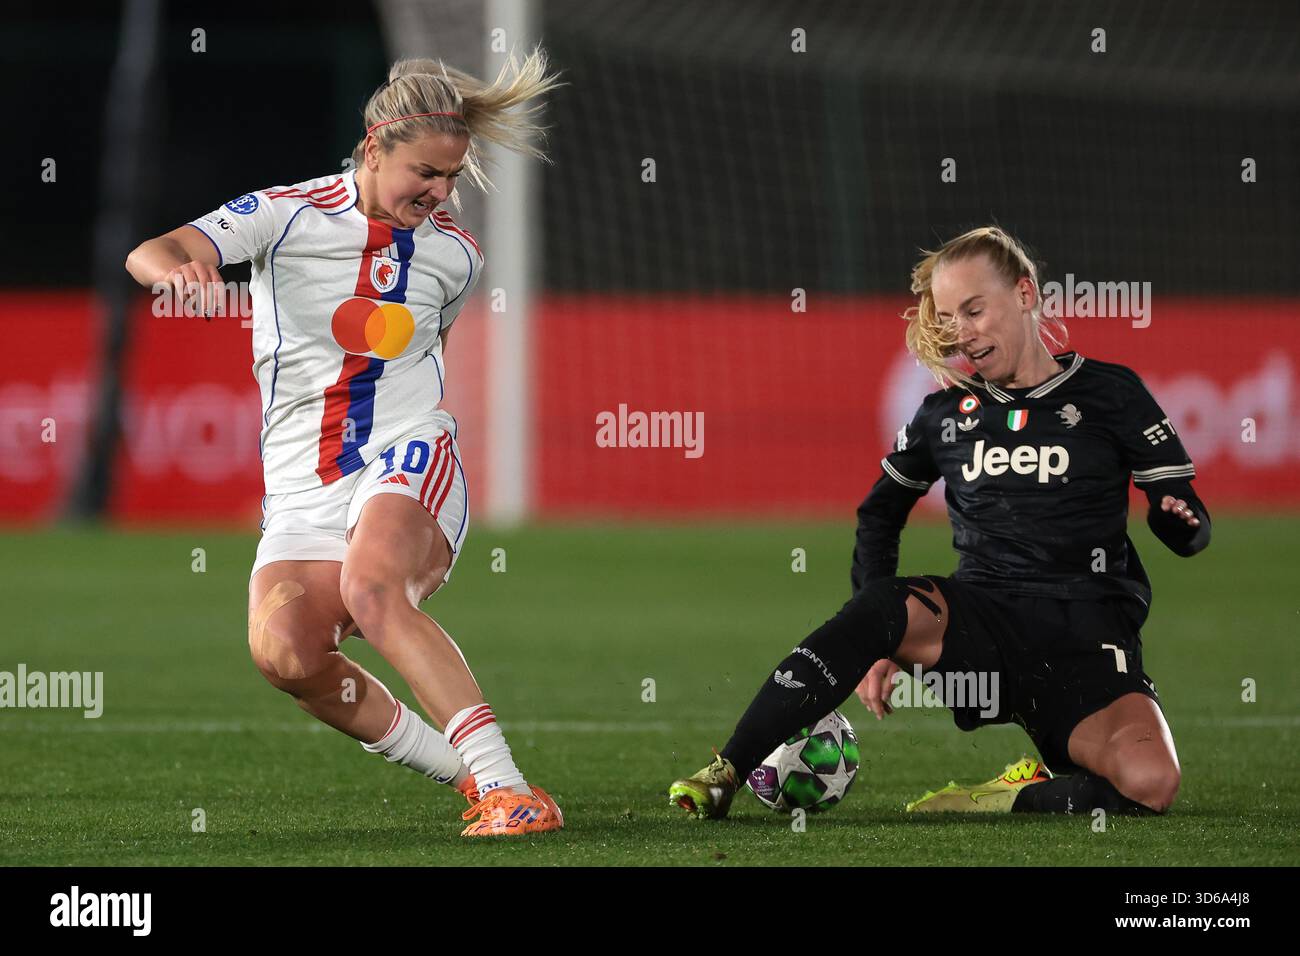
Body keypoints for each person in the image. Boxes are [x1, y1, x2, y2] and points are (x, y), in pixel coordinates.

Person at [126, 51, 565, 837]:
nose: (437, 194)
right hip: (303, 488)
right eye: (424, 173)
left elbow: (420, 361)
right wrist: (179, 275)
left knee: (372, 588)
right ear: (373, 150)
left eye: (451, 178)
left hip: (409, 454)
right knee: (286, 653)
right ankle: (467, 776)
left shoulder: (454, 255)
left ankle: (512, 789)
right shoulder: (285, 214)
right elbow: (154, 250)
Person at [668, 226, 1209, 818]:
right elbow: (879, 514)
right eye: (950, 317)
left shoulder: (1112, 393)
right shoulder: (945, 415)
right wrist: (876, 647)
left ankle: (1005, 796)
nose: (963, 333)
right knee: (882, 609)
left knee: (1151, 785)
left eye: (975, 310)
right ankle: (726, 771)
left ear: (1025, 295)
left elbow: (1187, 522)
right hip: (982, 631)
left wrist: (1175, 518)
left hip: (1088, 640)